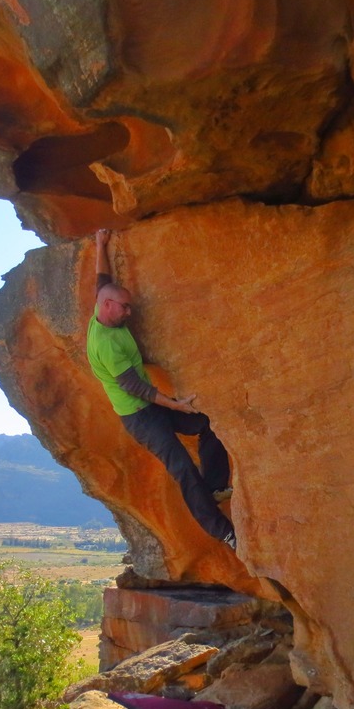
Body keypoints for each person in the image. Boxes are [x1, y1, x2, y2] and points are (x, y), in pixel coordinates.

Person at [86, 228, 237, 549]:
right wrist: (176, 405)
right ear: (108, 306)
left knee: (208, 423)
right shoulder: (106, 343)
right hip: (140, 417)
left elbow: (102, 280)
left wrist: (100, 244)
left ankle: (214, 487)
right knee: (183, 469)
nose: (130, 312)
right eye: (125, 307)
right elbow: (136, 387)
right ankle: (223, 532)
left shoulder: (103, 306)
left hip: (151, 408)